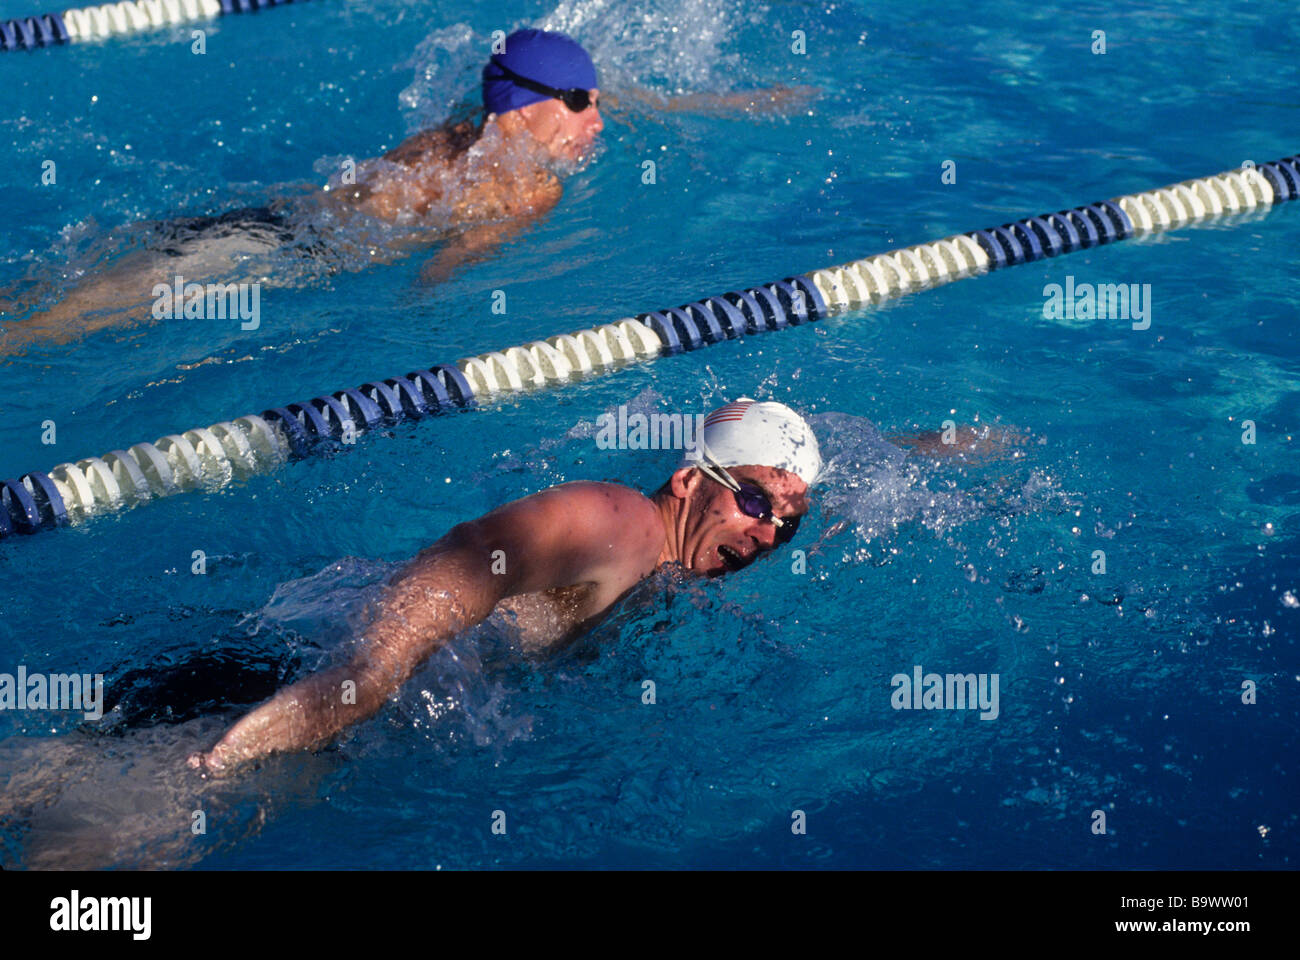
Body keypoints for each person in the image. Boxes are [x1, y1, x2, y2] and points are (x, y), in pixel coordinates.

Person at [0, 29, 812, 350]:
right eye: (580, 103)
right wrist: (421, 323)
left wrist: (725, 104)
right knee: (56, 326)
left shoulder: (472, 125)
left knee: (46, 291)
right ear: (529, 110)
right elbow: (440, 273)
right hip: (275, 259)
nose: (599, 120)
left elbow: (570, 87)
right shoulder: (529, 194)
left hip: (260, 222)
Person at [187, 397, 822, 774]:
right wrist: (370, 672)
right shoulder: (624, 523)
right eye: (756, 504)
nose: (767, 537)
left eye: (785, 528)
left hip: (334, 716)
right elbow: (476, 550)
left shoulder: (667, 557)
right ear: (688, 481)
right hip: (275, 691)